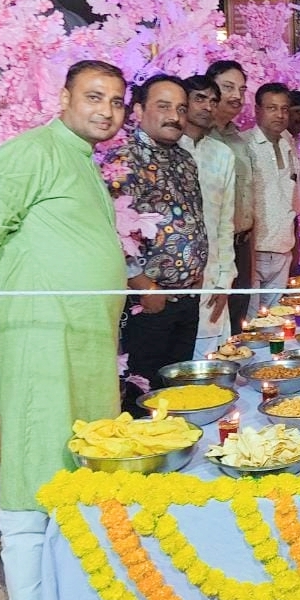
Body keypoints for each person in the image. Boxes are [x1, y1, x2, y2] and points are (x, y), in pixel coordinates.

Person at [0, 60, 128, 600]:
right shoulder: (33, 151)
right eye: (94, 97)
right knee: (34, 462)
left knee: (74, 457)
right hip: (41, 335)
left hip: (81, 338)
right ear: (63, 98)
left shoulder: (80, 159)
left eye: (117, 102)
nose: (106, 111)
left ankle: (68, 589)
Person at [106, 74, 208, 414]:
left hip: (187, 295)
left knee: (178, 390)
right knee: (143, 392)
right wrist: (142, 284)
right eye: (163, 106)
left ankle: (172, 457)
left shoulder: (184, 158)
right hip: (148, 300)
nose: (174, 116)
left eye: (180, 108)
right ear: (138, 110)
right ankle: (138, 463)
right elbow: (112, 232)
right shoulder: (123, 160)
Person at [179, 75, 236, 358]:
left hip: (214, 273)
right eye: (199, 98)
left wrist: (226, 278)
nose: (208, 107)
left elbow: (226, 221)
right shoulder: (169, 149)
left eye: (213, 101)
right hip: (171, 279)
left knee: (212, 357)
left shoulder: (222, 154)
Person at [244, 82, 300, 311]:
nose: (280, 115)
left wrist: (294, 250)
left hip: (283, 249)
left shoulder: (289, 144)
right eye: (272, 108)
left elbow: (293, 200)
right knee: (250, 325)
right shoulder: (245, 145)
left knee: (275, 321)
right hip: (253, 251)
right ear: (257, 110)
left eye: (284, 109)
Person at [206, 60, 254, 335]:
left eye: (242, 89)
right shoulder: (195, 137)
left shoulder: (238, 138)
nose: (237, 96)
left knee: (238, 319)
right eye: (228, 88)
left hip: (241, 243)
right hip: (213, 248)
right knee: (213, 324)